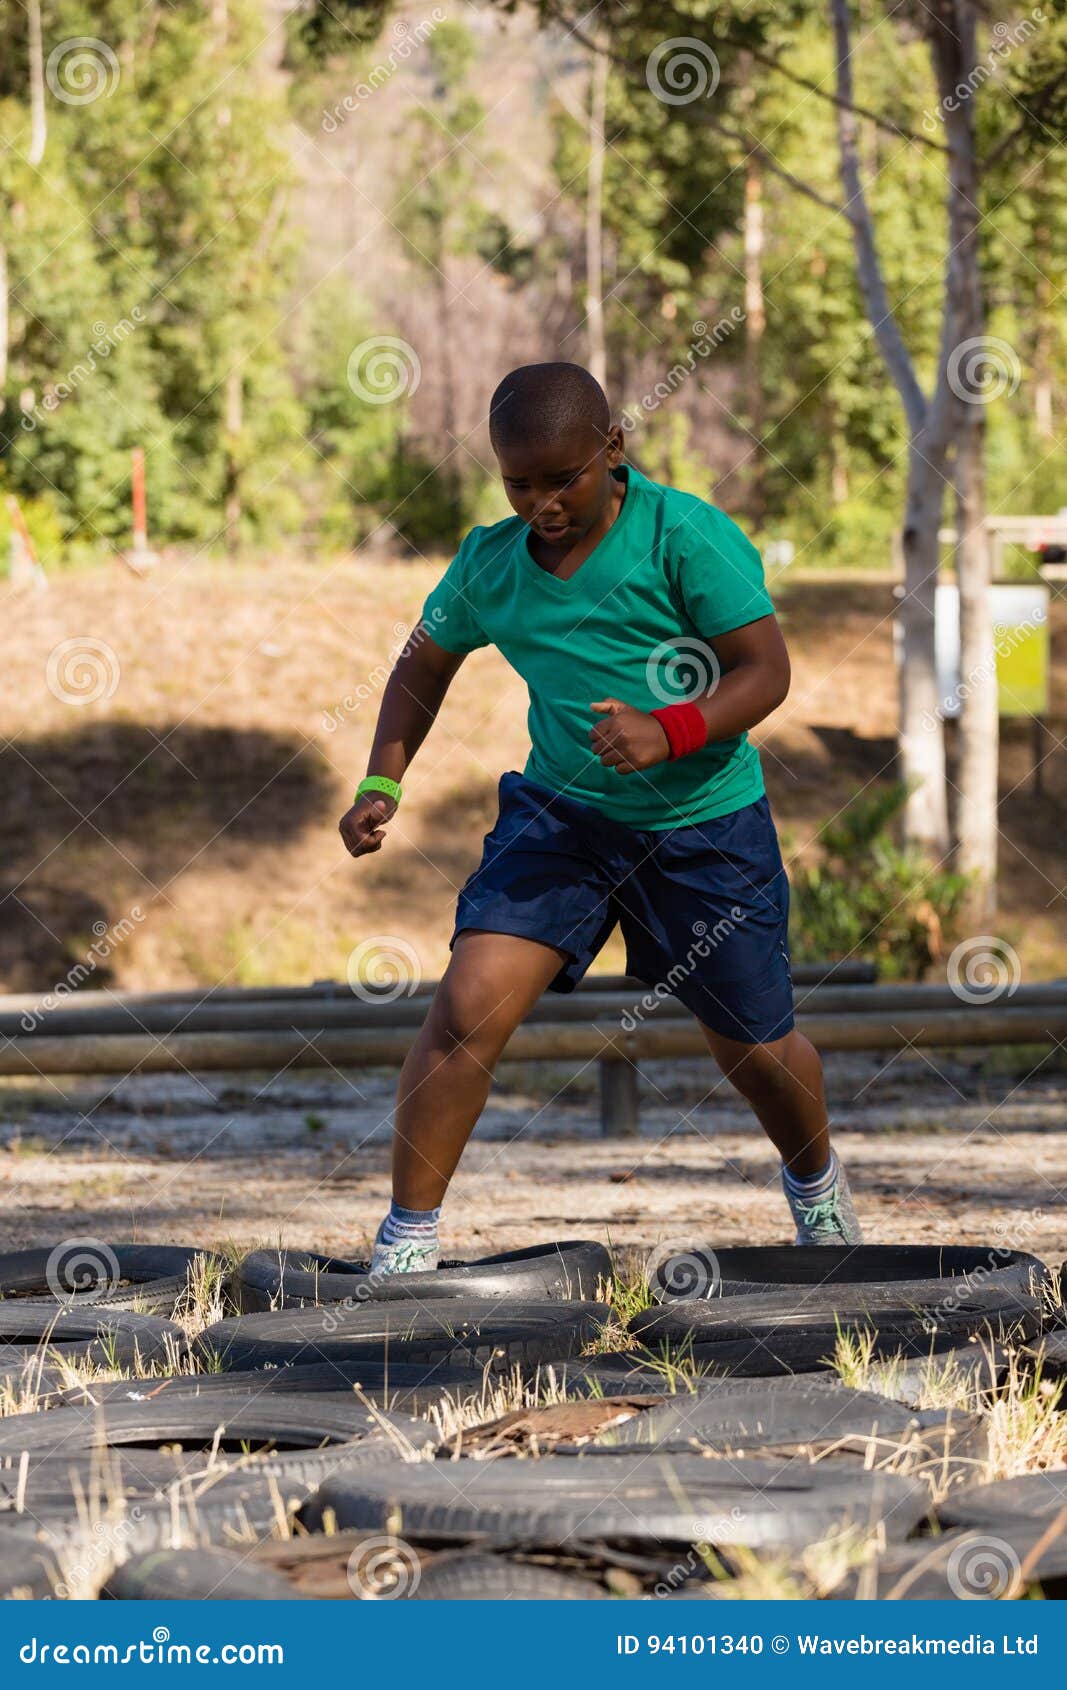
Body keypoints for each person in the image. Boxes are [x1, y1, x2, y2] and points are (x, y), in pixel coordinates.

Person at [339, 362, 862, 1274]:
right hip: (562, 819)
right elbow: (422, 667)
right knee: (465, 1008)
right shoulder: (489, 565)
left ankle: (816, 1193)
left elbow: (765, 671)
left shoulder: (684, 538)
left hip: (703, 825)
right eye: (519, 482)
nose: (540, 501)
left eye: (561, 478)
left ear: (612, 449)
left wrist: (671, 730)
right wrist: (381, 785)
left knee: (755, 1050)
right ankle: (406, 1244)